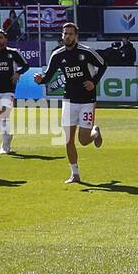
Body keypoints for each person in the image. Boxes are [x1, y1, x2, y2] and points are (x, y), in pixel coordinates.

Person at [34, 22, 107, 185]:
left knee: (83, 140)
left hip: (87, 101)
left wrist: (94, 82)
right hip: (69, 100)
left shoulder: (86, 52)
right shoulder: (57, 55)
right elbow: (48, 76)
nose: (67, 36)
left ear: (76, 36)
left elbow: (103, 65)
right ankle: (75, 174)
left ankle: (95, 132)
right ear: (62, 35)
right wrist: (40, 80)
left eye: (70, 34)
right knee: (68, 140)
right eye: (65, 33)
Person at [0, 29, 31, 155]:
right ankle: (7, 135)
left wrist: (18, 73)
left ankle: (4, 146)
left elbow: (26, 65)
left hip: (9, 89)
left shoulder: (13, 53)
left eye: (1, 37)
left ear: (6, 39)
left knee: (4, 115)